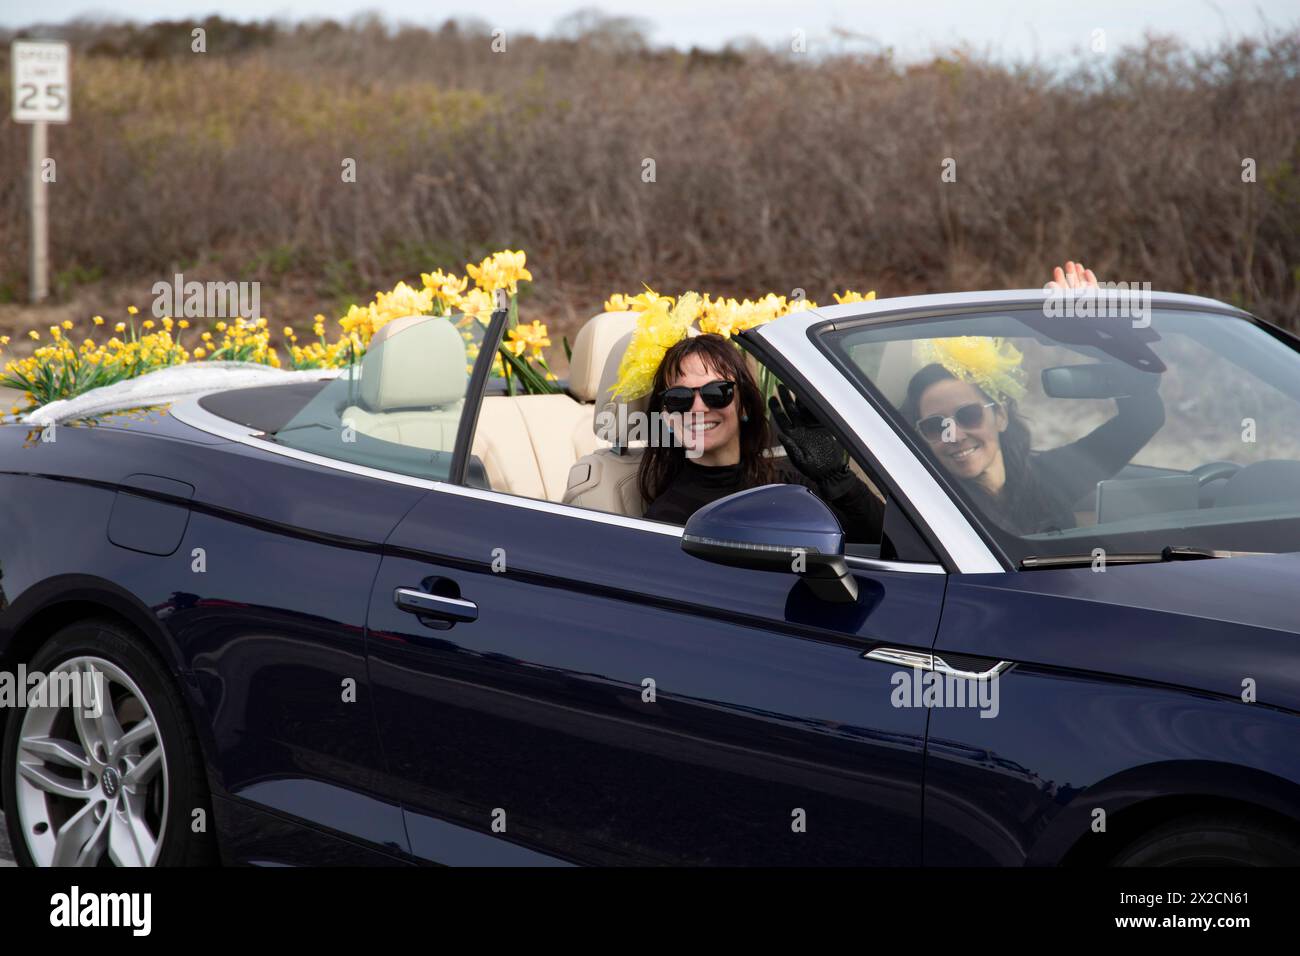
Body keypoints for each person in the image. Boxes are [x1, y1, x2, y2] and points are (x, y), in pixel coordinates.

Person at [900, 262, 1165, 534]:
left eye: (968, 415)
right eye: (935, 426)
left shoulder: (1048, 477)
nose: (953, 435)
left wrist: (1098, 329)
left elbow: (1144, 418)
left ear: (1000, 416)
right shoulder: (924, 508)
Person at [639, 332, 884, 542]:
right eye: (679, 397)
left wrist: (839, 479)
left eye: (717, 392)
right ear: (667, 415)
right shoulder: (666, 520)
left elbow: (887, 544)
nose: (698, 408)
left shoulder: (790, 485)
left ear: (744, 405)